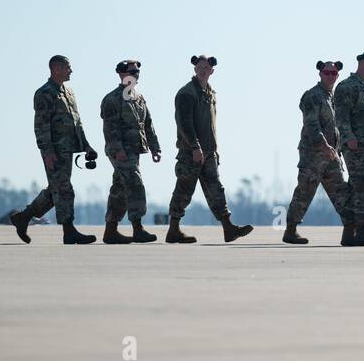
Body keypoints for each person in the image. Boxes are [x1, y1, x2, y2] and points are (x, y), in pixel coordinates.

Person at [165, 55, 253, 244]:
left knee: (216, 190)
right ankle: (173, 229)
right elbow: (184, 123)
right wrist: (195, 147)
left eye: (206, 67)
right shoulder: (187, 94)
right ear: (195, 69)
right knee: (184, 189)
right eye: (200, 67)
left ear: (212, 71)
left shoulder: (210, 93)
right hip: (191, 152)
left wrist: (211, 150)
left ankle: (228, 228)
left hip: (209, 153)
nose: (203, 70)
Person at [10, 55, 97, 244]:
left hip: (68, 150)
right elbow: (40, 126)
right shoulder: (44, 93)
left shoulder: (69, 92)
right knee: (64, 189)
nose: (71, 71)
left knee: (55, 190)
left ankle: (23, 218)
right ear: (56, 69)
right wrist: (47, 151)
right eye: (68, 67)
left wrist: (86, 145)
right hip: (54, 151)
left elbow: (77, 122)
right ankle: (69, 231)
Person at [283, 60, 356, 245]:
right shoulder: (312, 96)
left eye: (333, 73)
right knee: (304, 192)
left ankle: (354, 228)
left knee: (342, 192)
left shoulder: (333, 97)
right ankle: (290, 230)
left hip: (331, 156)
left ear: (337, 75)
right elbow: (312, 125)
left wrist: (337, 149)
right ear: (320, 73)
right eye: (326, 72)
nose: (330, 76)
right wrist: (325, 146)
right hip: (313, 155)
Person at [100, 59, 161, 245]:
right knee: (135, 184)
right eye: (131, 72)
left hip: (134, 150)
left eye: (137, 72)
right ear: (121, 74)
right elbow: (110, 128)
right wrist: (118, 150)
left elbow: (148, 124)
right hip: (120, 152)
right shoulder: (112, 99)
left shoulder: (138, 98)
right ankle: (137, 227)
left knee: (120, 189)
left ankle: (111, 230)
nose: (135, 75)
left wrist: (154, 147)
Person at [333, 51, 364, 247]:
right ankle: (362, 229)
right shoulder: (347, 87)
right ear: (363, 63)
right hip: (356, 145)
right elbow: (341, 115)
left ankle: (350, 232)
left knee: (359, 186)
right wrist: (348, 137)